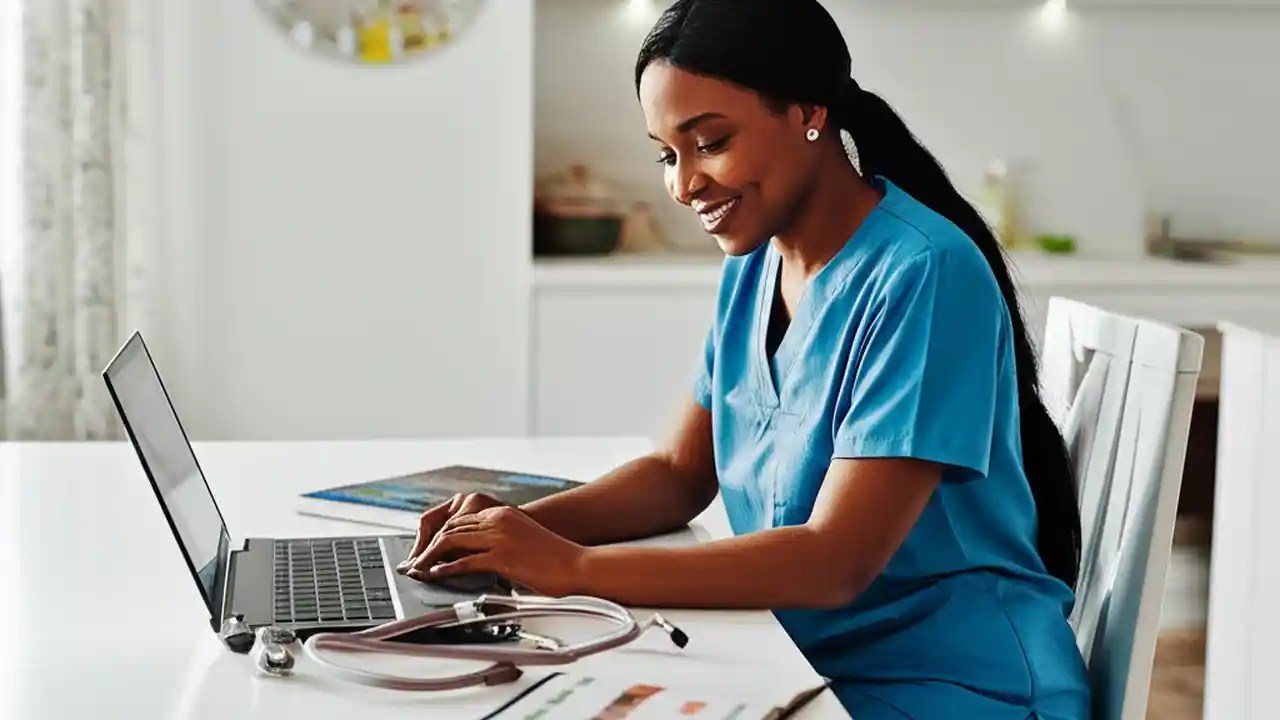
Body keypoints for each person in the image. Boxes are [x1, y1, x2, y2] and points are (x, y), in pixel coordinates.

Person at [399, 1, 1090, 716]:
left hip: (955, 681)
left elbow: (837, 561)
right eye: (668, 154)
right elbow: (676, 475)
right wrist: (514, 534)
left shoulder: (924, 271)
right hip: (799, 656)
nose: (682, 184)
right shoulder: (756, 265)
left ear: (806, 112)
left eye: (710, 142)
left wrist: (570, 569)